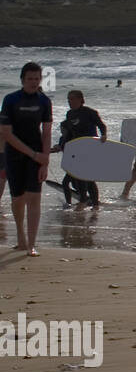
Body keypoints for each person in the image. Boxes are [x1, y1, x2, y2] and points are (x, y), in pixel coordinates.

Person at [0, 62, 53, 255]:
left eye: (37, 78)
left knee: (34, 198)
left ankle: (31, 244)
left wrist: (44, 159)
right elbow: (6, 133)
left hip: (37, 155)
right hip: (14, 154)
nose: (33, 82)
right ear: (22, 79)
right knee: (18, 199)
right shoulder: (11, 100)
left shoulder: (44, 101)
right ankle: (20, 236)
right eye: (30, 78)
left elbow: (46, 133)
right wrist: (33, 154)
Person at [55, 90, 108, 207]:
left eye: (72, 99)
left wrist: (103, 135)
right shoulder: (69, 114)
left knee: (87, 177)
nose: (70, 101)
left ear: (80, 99)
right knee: (80, 176)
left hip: (89, 147)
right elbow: (69, 133)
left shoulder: (89, 112)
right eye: (68, 99)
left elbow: (101, 125)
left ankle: (90, 203)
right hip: (76, 149)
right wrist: (61, 145)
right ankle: (87, 202)